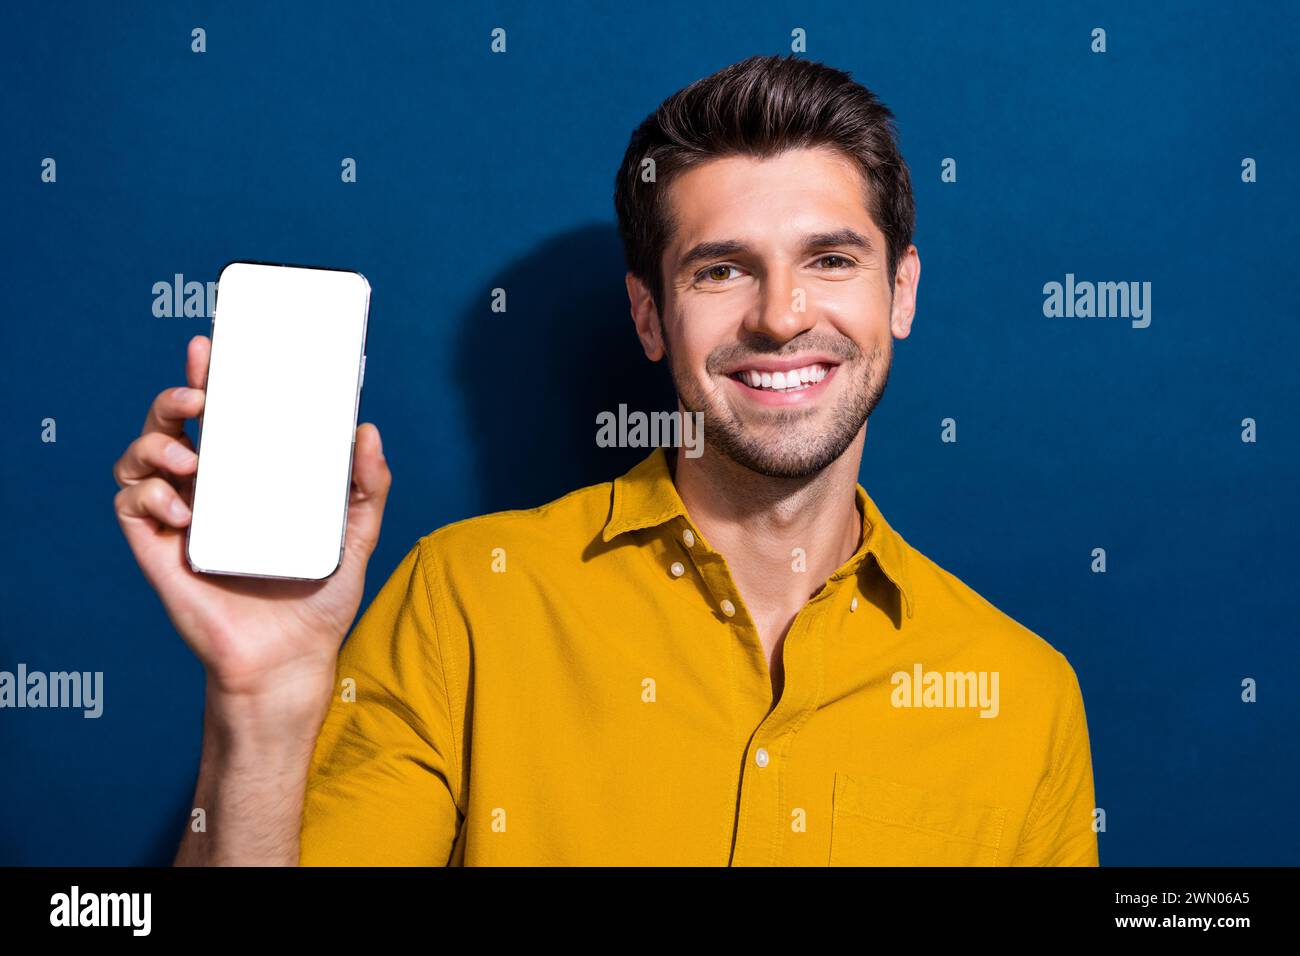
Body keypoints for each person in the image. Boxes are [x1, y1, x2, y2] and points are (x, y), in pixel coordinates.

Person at [114, 54, 1098, 866]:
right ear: (647, 315)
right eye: (721, 269)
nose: (782, 314)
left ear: (900, 293)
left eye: (830, 260)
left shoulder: (1023, 691)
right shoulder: (461, 602)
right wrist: (260, 703)